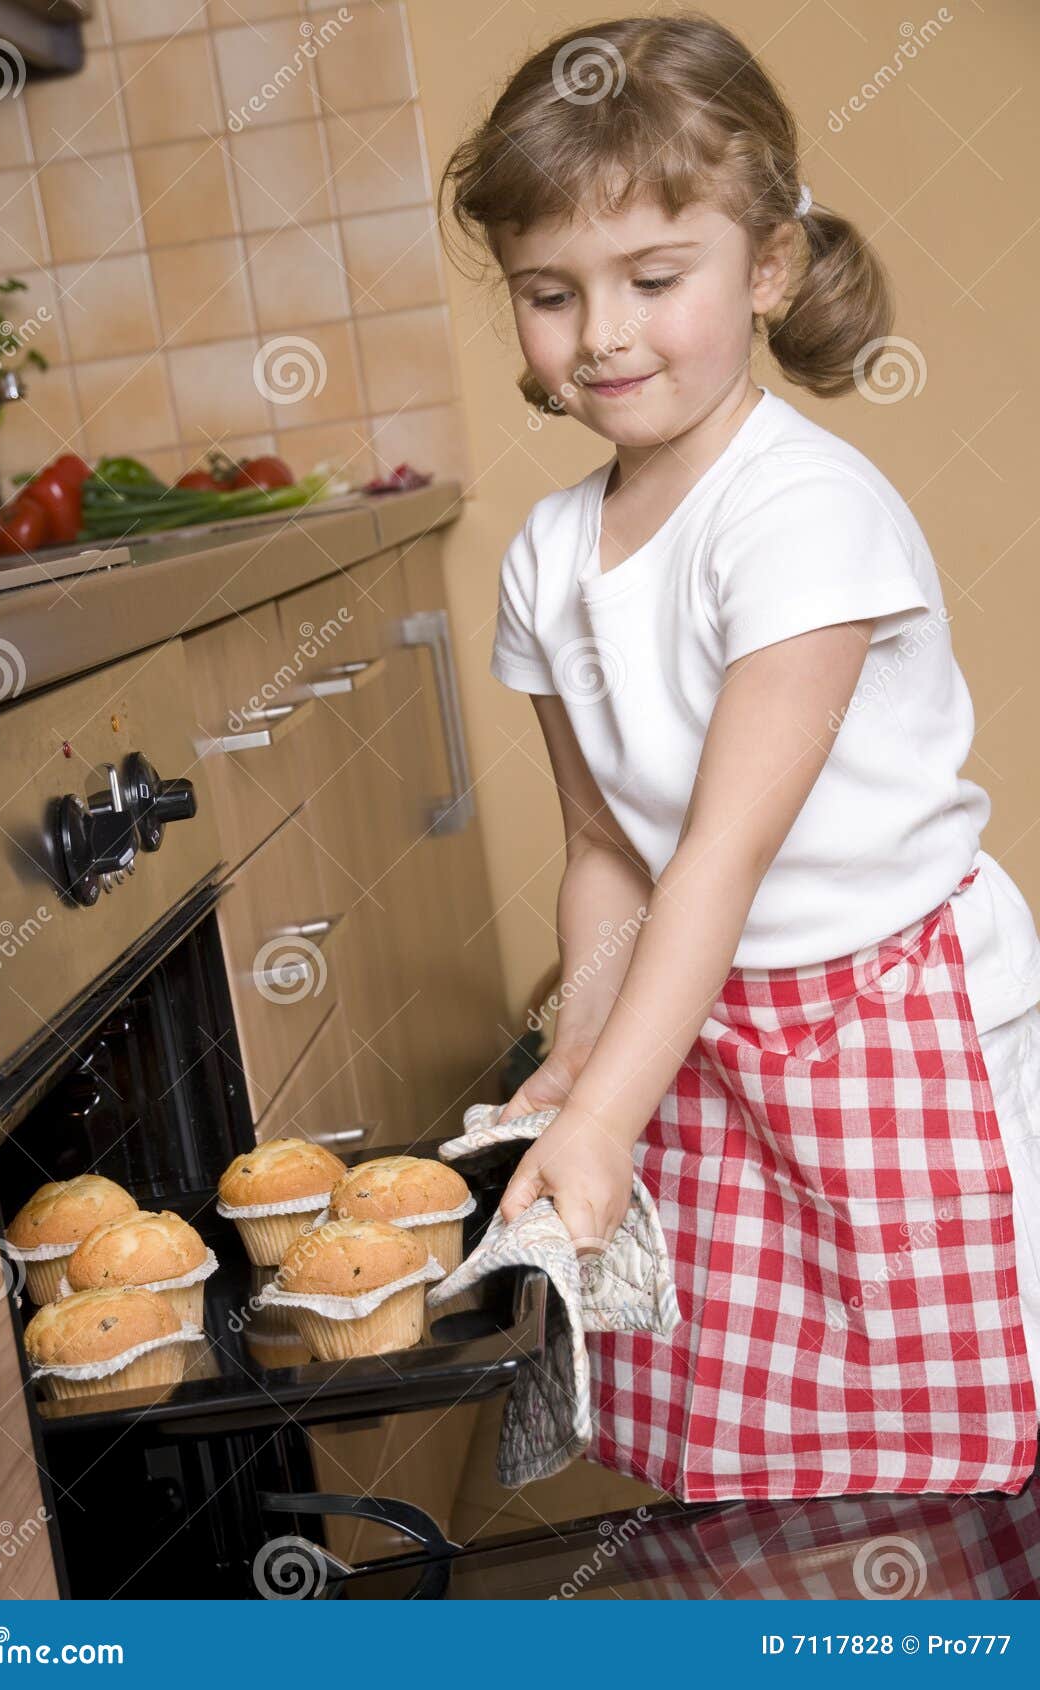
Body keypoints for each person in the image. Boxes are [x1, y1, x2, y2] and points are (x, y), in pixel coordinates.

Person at [438, 11, 1040, 1501]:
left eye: (654, 278)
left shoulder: (802, 518)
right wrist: (581, 1053)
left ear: (767, 267)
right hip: (702, 1026)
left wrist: (600, 1117)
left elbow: (722, 851)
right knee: (760, 1444)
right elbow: (606, 852)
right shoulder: (545, 555)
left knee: (960, 1430)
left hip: (896, 1020)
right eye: (550, 293)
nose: (605, 334)